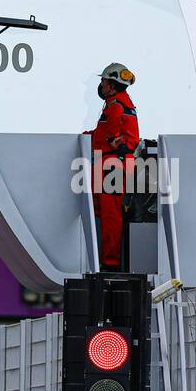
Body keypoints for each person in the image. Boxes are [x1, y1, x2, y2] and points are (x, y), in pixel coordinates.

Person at [85, 63, 140, 270]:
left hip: (113, 163)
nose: (101, 85)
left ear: (112, 85)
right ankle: (105, 259)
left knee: (110, 214)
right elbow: (105, 134)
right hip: (111, 163)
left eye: (103, 81)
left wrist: (111, 140)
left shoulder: (115, 105)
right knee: (102, 210)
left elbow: (114, 137)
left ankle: (110, 263)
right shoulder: (120, 104)